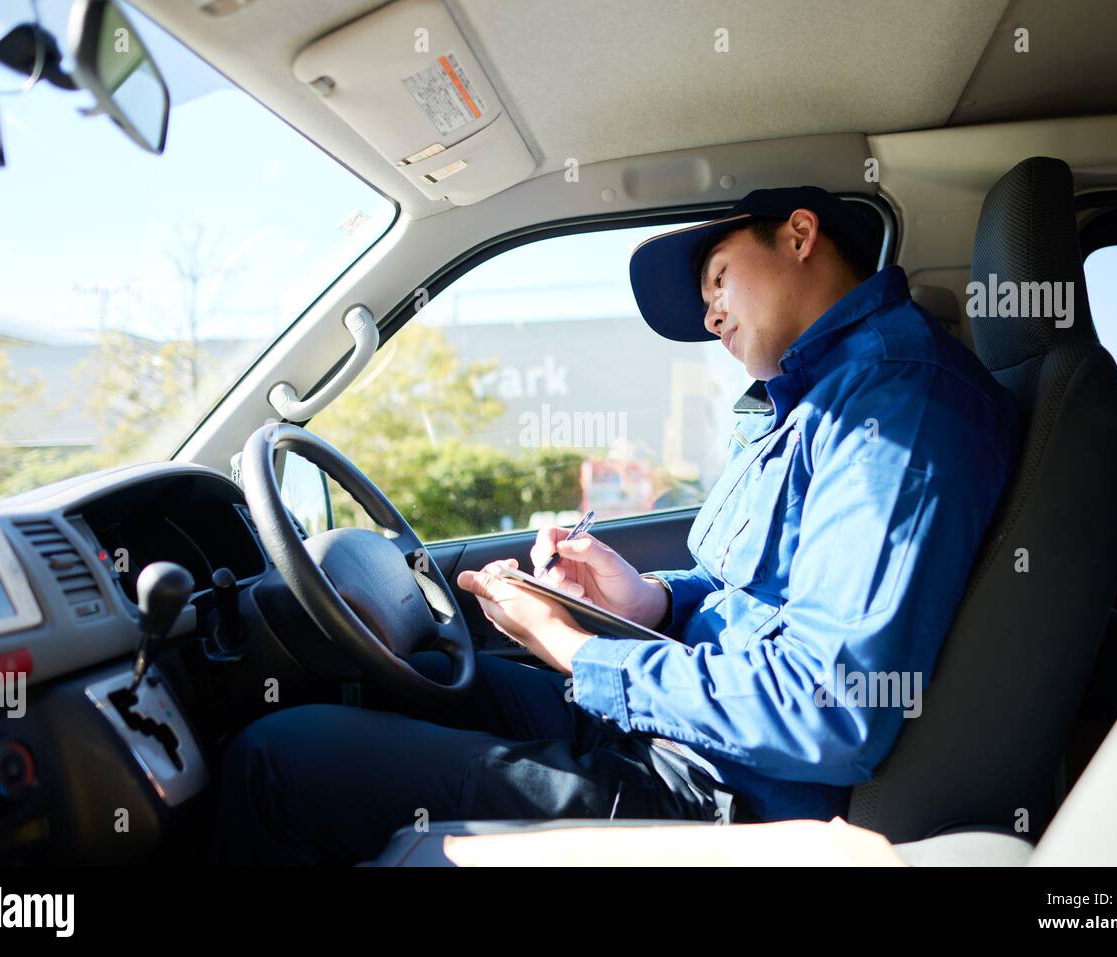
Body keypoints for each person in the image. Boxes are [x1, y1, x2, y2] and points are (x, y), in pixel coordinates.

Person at [213, 187, 1020, 865]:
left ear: (799, 234)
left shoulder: (895, 407)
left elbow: (828, 704)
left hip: (719, 796)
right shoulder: (814, 402)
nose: (709, 316)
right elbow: (763, 593)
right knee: (395, 676)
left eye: (715, 279)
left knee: (278, 761)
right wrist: (648, 604)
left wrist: (577, 649)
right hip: (676, 734)